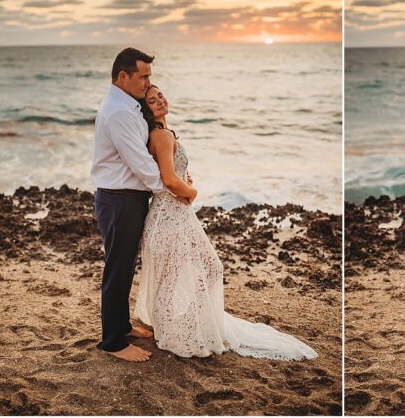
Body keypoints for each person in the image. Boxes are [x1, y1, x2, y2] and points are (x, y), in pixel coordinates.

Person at [134, 85, 318, 360]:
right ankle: (173, 328)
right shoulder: (160, 135)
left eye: (160, 95)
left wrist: (184, 186)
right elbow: (169, 180)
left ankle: (178, 323)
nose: (159, 101)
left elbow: (170, 176)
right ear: (146, 109)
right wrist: (192, 192)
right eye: (152, 100)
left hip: (175, 214)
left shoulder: (163, 133)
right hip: (168, 216)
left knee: (185, 274)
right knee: (204, 270)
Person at [90, 48, 192, 363]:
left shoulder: (126, 105)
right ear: (123, 76)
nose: (148, 83)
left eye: (149, 76)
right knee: (118, 268)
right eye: (143, 76)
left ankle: (121, 326)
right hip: (120, 200)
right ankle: (112, 343)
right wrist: (174, 190)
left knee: (124, 265)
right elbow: (142, 167)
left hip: (128, 199)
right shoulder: (119, 111)